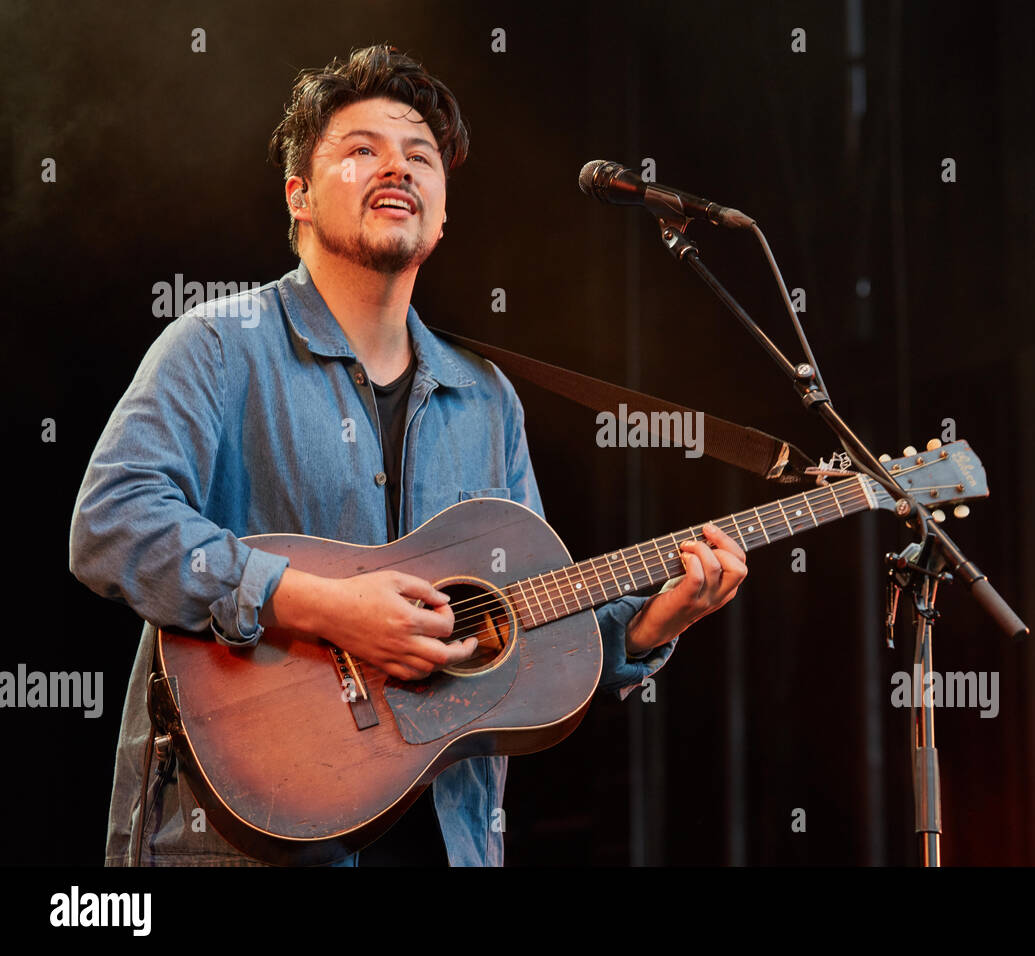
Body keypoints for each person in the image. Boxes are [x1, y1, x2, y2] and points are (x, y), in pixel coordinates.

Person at [69, 43, 747, 867]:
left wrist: (646, 626)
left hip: (446, 840)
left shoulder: (488, 399)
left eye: (420, 156)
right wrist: (325, 608)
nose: (397, 167)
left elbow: (518, 633)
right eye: (362, 151)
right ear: (301, 197)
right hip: (248, 838)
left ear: (444, 208)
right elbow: (112, 524)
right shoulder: (216, 346)